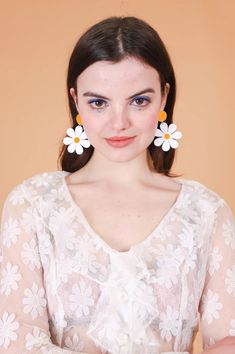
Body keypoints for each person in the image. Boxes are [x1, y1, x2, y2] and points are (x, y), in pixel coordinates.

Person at [0, 16, 234, 354]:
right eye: (99, 102)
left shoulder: (207, 214)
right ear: (76, 101)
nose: (119, 122)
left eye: (139, 100)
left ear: (164, 97)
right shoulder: (33, 205)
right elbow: (15, 343)